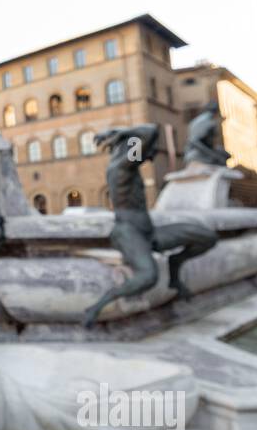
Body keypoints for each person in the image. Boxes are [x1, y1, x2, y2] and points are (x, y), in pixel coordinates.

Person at [83, 124, 219, 327]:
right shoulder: (121, 167)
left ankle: (175, 266)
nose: (153, 154)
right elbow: (149, 132)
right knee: (148, 276)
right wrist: (124, 133)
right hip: (129, 233)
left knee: (206, 236)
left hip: (148, 232)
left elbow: (146, 140)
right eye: (150, 150)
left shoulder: (129, 164)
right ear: (130, 147)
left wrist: (128, 137)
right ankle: (98, 305)